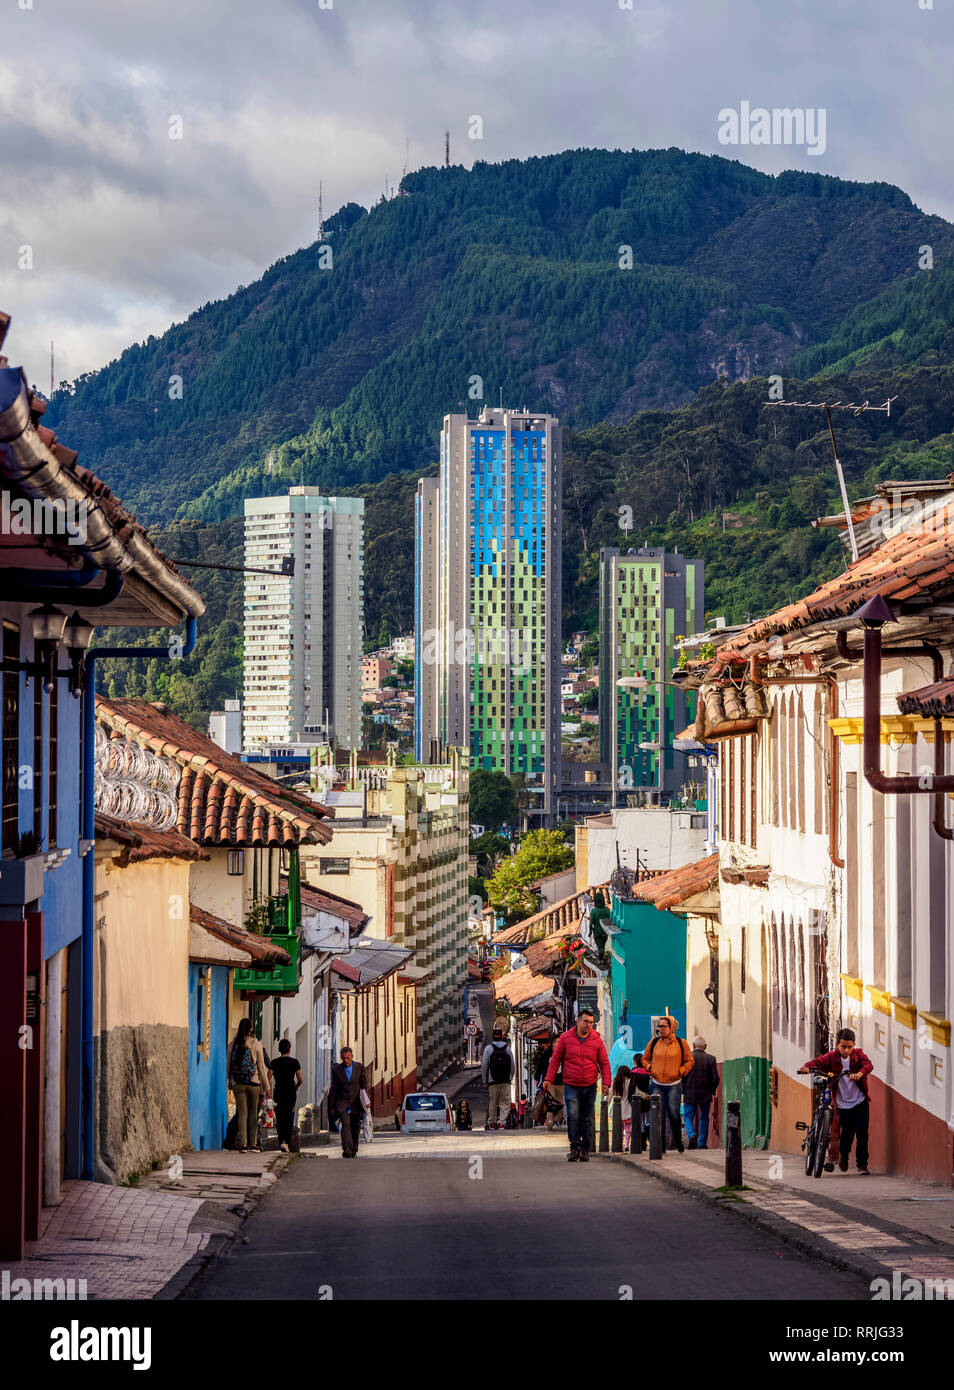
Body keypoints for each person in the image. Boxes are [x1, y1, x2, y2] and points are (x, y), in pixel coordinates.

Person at [798, 1028, 874, 1175]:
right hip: (843, 1103)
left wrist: (859, 1074)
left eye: (850, 1047)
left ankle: (862, 1165)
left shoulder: (859, 1055)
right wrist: (806, 1068)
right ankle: (843, 1156)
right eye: (843, 1046)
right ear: (838, 1044)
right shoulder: (831, 1057)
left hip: (860, 1100)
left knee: (863, 1133)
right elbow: (816, 1062)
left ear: (854, 1045)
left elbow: (868, 1065)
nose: (847, 1050)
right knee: (847, 1132)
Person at [544, 1006, 611, 1162]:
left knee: (587, 1117)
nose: (589, 1025)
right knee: (573, 1115)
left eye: (591, 1022)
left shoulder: (597, 1039)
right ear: (578, 1021)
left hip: (590, 1084)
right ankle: (574, 1148)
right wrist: (548, 1079)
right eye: (586, 1021)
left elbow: (604, 1063)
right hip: (571, 1085)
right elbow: (555, 1060)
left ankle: (585, 1149)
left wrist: (607, 1082)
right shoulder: (565, 1038)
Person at [641, 1015, 693, 1153]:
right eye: (659, 1027)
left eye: (664, 1026)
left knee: (674, 1114)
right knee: (659, 1115)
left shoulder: (681, 1044)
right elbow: (644, 1058)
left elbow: (689, 1061)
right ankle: (661, 1145)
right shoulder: (654, 1043)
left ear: (671, 1028)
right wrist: (649, 1068)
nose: (661, 1029)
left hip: (674, 1084)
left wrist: (681, 1071)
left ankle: (678, 1141)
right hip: (656, 1083)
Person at [227, 1018, 270, 1153]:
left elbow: (228, 1065)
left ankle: (242, 1144)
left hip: (238, 1083)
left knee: (242, 1114)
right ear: (251, 1029)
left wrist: (230, 1081)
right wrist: (267, 1087)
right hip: (254, 1083)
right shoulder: (256, 1044)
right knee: (253, 1114)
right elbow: (261, 1068)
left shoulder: (232, 1044)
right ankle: (253, 1144)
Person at [328, 1045, 369, 1158]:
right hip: (342, 1103)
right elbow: (334, 1088)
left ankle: (354, 1149)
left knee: (355, 1127)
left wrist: (366, 1101)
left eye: (348, 1058)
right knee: (345, 1125)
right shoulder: (337, 1069)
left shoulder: (359, 1067)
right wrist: (331, 1106)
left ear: (352, 1056)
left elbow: (364, 1086)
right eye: (343, 1058)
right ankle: (347, 1150)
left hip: (356, 1103)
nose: (346, 1060)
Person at [683, 1035, 719, 1151]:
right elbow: (715, 1079)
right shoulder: (711, 1059)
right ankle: (702, 1142)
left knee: (688, 1116)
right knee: (704, 1117)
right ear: (706, 1047)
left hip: (690, 1092)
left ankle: (691, 1134)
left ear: (693, 1046)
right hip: (705, 1093)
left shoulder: (687, 1059)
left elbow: (682, 1076)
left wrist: (683, 1089)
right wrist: (712, 1090)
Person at [267, 1039, 302, 1153]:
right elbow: (300, 1079)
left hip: (278, 1092)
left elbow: (268, 1077)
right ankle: (286, 1142)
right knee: (289, 1117)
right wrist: (296, 1086)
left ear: (279, 1050)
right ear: (289, 1049)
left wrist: (267, 1089)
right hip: (291, 1092)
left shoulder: (274, 1062)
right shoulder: (294, 1062)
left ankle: (281, 1140)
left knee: (280, 1117)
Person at [481, 1026, 515, 1129]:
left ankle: (492, 1122)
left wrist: (485, 1080)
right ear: (501, 1036)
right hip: (505, 1080)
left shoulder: (488, 1049)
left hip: (493, 1081)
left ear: (493, 1036)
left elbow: (484, 1066)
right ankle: (502, 1122)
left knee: (493, 1102)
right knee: (505, 1102)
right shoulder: (508, 1049)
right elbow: (513, 1066)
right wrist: (510, 1077)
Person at [611, 1065, 633, 1150]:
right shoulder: (630, 1081)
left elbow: (610, 1094)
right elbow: (636, 1091)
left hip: (617, 1109)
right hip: (628, 1109)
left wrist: (606, 1103)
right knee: (627, 1128)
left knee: (619, 1128)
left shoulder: (615, 1081)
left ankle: (618, 1144)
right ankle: (627, 1145)